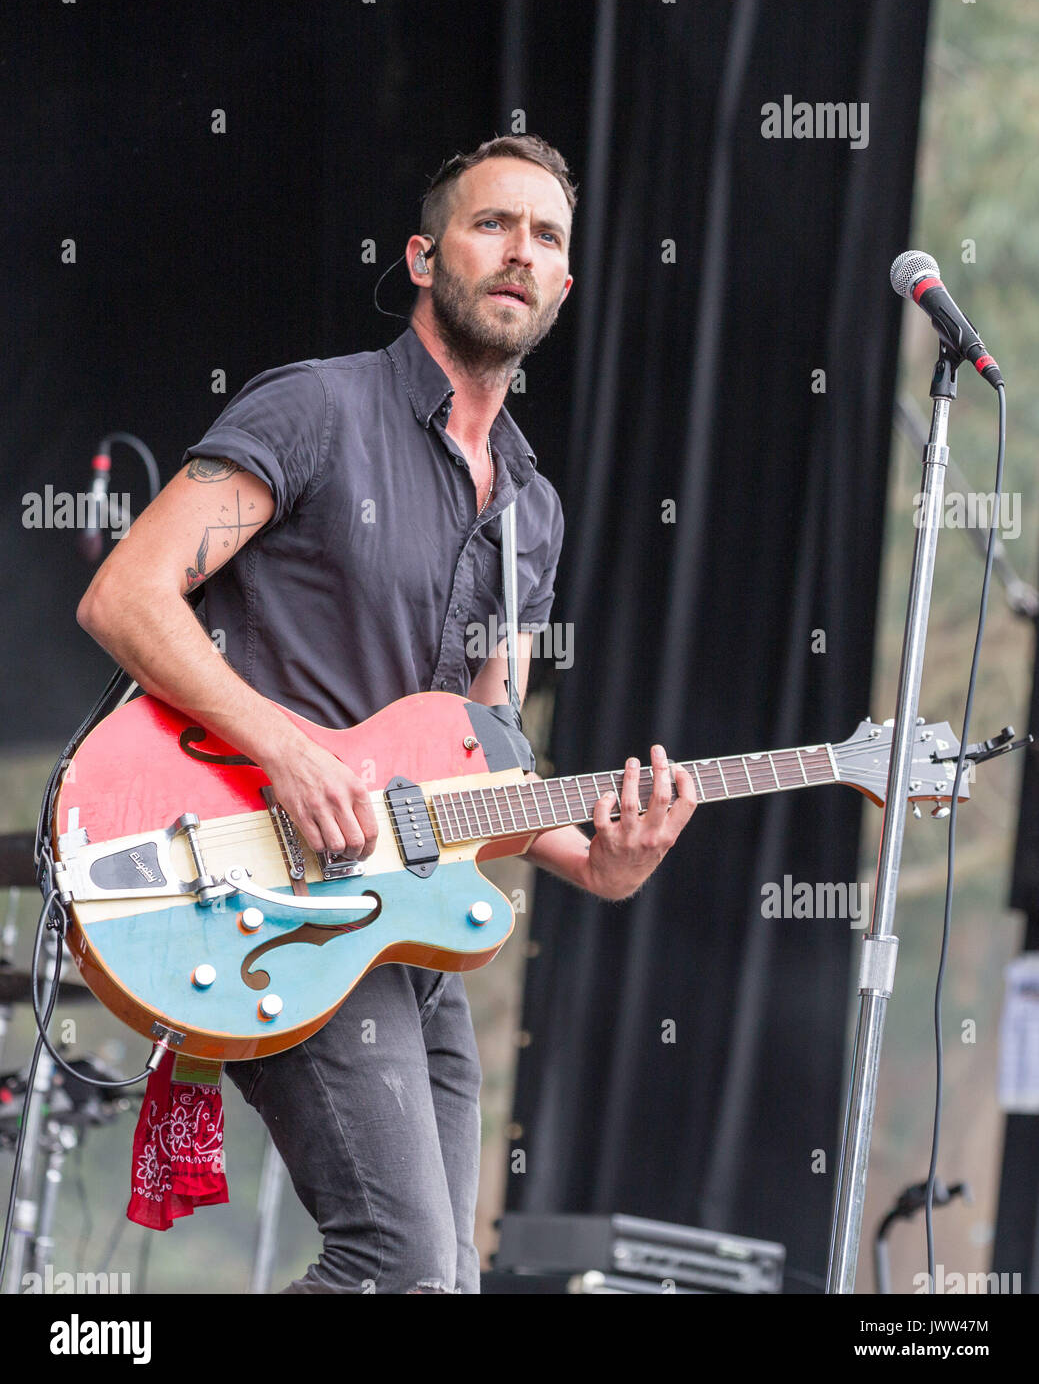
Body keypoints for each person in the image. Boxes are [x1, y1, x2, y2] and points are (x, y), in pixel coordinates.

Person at [76, 133, 697, 1293]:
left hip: (408, 923)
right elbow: (124, 595)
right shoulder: (317, 408)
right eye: (491, 224)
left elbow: (481, 762)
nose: (520, 252)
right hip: (264, 883)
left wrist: (588, 859)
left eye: (547, 238)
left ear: (565, 286)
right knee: (404, 1269)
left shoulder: (532, 513)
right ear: (423, 255)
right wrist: (287, 748)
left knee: (442, 1284)